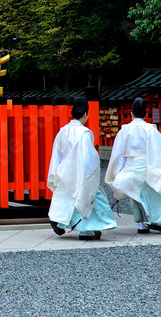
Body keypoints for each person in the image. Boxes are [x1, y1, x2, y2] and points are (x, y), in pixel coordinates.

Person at [47, 97, 117, 240]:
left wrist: (57, 171)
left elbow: (56, 154)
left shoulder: (63, 131)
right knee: (86, 197)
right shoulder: (84, 133)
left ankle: (59, 222)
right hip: (79, 172)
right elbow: (88, 158)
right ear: (85, 114)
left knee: (66, 198)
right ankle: (86, 229)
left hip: (65, 172)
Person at [105, 97, 161, 233]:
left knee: (135, 196)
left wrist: (116, 171)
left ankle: (141, 224)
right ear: (146, 115)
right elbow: (160, 152)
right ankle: (154, 220)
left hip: (131, 166)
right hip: (148, 166)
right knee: (153, 193)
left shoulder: (124, 130)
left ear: (131, 114)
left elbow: (118, 154)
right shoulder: (150, 130)